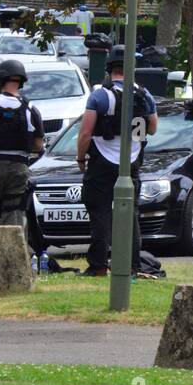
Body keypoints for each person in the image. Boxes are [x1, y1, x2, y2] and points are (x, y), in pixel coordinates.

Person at [76, 45, 158, 278]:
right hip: (131, 161)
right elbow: (152, 128)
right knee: (130, 214)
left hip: (101, 160)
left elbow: (85, 133)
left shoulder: (100, 95)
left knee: (99, 212)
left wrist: (81, 157)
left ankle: (99, 265)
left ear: (109, 67)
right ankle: (132, 266)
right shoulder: (144, 94)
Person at [0, 58, 45, 243]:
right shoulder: (31, 109)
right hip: (19, 168)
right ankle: (14, 252)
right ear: (21, 81)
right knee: (13, 215)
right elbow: (38, 145)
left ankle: (3, 245)